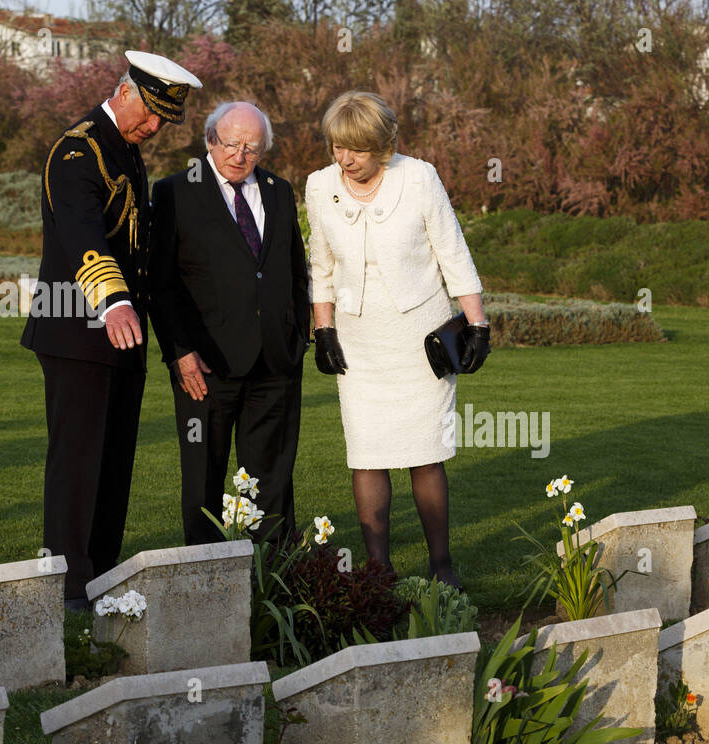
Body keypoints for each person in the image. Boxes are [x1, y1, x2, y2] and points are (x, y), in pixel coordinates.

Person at [21, 51, 201, 611]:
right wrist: (115, 300)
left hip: (123, 336)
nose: (153, 129)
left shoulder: (125, 149)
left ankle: (97, 575)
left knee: (114, 462)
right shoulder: (79, 148)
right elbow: (81, 233)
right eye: (149, 115)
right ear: (124, 90)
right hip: (79, 330)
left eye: (162, 123)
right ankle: (69, 587)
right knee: (78, 463)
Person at [305, 90, 489, 590]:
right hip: (358, 343)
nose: (345, 159)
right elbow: (320, 265)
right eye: (337, 147)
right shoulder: (320, 187)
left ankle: (441, 565)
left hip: (420, 340)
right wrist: (323, 330)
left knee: (425, 452)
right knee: (367, 452)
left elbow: (452, 251)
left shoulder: (419, 176)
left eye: (357, 150)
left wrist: (477, 324)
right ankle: (378, 570)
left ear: (383, 145)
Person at [148, 102, 311, 546]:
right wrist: (179, 352)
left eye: (252, 148)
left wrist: (299, 336)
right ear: (209, 141)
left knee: (272, 481)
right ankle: (206, 580)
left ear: (265, 150)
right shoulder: (174, 193)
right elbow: (159, 284)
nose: (239, 155)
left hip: (276, 362)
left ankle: (271, 582)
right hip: (205, 366)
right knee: (205, 476)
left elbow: (295, 269)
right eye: (230, 144)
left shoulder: (279, 191)